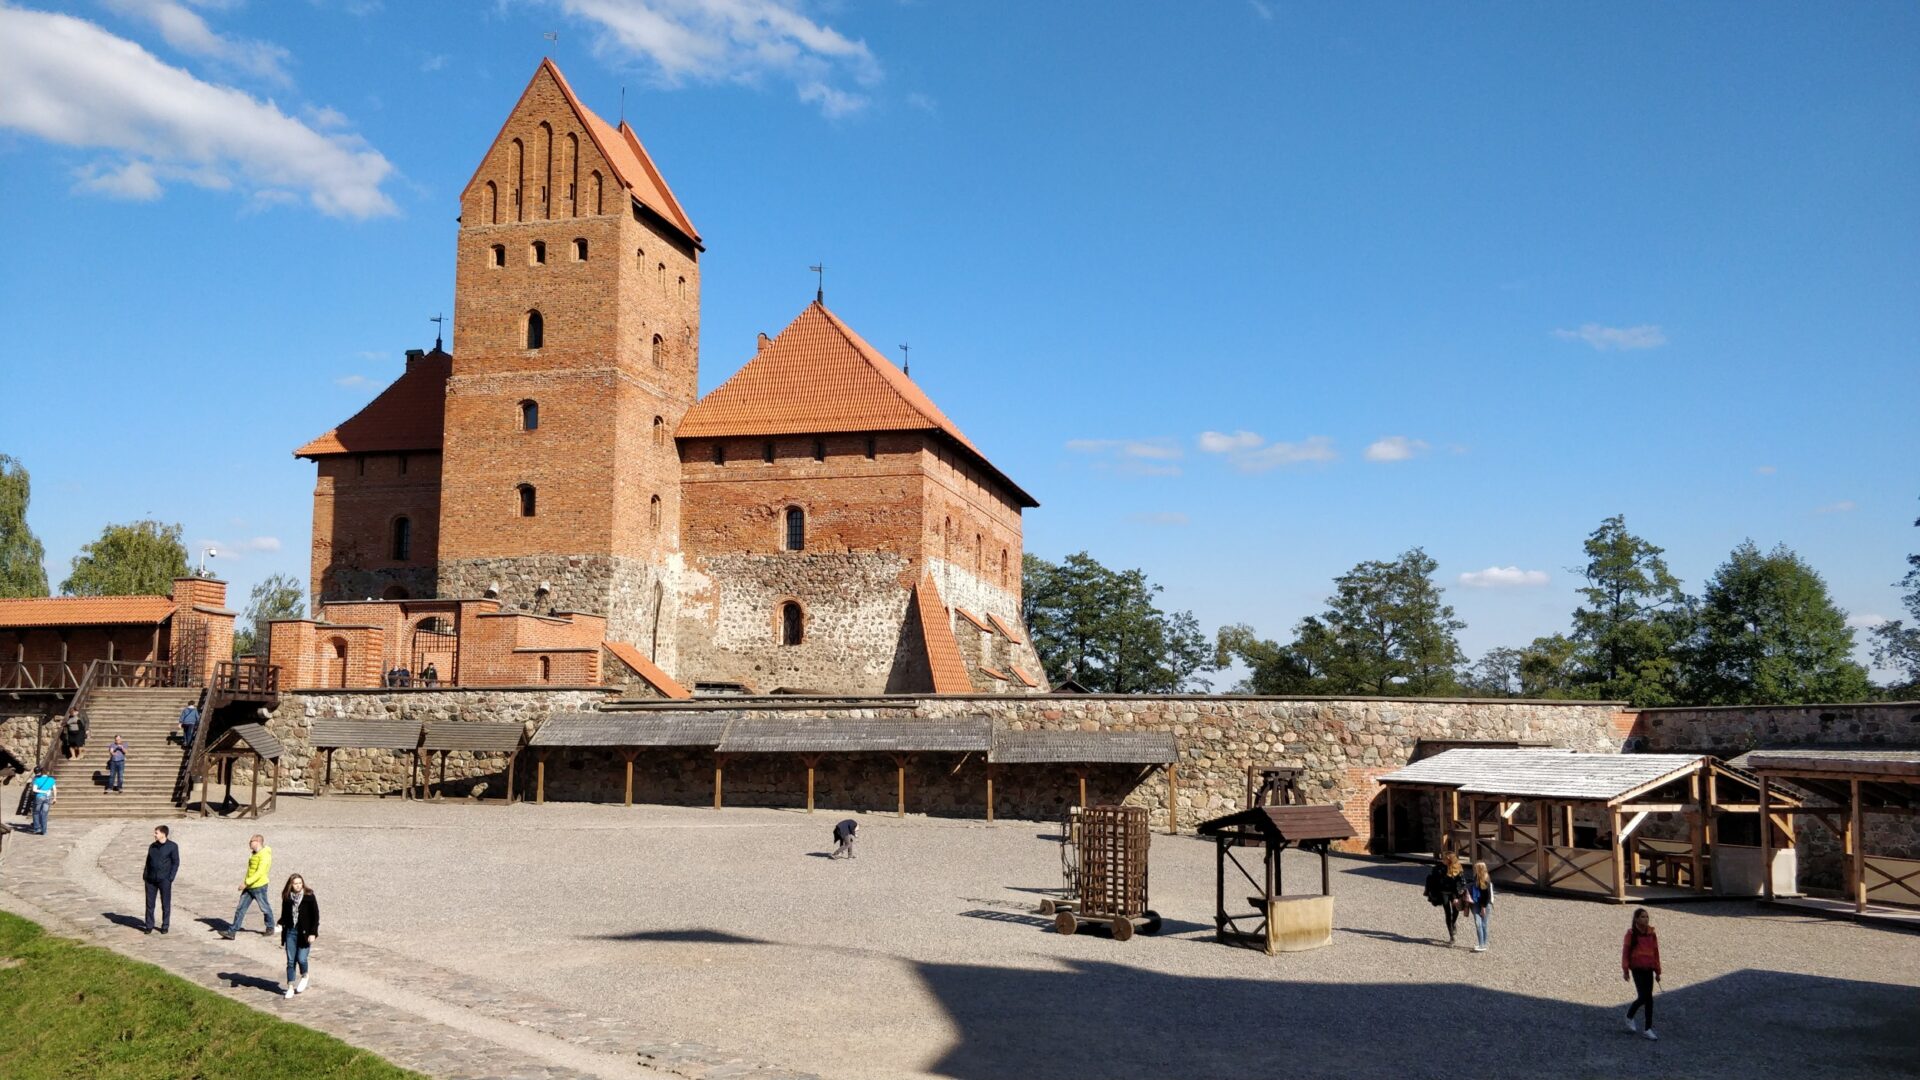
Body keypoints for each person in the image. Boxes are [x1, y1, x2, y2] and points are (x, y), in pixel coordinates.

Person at [223, 834, 275, 939]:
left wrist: (246, 883)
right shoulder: (254, 854)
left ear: (257, 842)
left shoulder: (265, 855)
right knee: (240, 909)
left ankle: (270, 927)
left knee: (265, 908)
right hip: (249, 887)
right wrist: (247, 884)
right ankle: (232, 932)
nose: (249, 843)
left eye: (251, 841)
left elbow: (260, 872)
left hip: (259, 887)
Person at [1621, 908, 1662, 1040]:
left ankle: (1647, 1028)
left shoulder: (1651, 934)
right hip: (1637, 968)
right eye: (1643, 917)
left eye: (1647, 917)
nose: (1646, 919)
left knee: (1649, 999)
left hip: (1649, 968)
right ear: (1636, 919)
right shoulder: (1631, 934)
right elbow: (1625, 952)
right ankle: (1629, 1015)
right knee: (1644, 996)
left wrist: (1657, 971)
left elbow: (1655, 952)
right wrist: (1625, 970)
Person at [279, 873, 320, 999]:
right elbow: (284, 914)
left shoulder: (309, 896)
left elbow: (315, 916)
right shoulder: (287, 897)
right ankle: (290, 986)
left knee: (301, 959)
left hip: (304, 933)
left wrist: (313, 933)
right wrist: (280, 924)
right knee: (291, 961)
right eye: (295, 883)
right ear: (291, 885)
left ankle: (305, 975)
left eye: (300, 883)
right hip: (290, 932)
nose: (298, 886)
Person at [142, 825, 180, 935]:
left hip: (164, 880)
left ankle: (165, 925)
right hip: (150, 880)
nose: (154, 835)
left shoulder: (172, 846)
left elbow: (176, 862)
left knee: (165, 904)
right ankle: (149, 925)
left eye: (156, 833)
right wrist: (145, 875)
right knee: (150, 904)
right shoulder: (152, 846)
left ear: (163, 834)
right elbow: (148, 861)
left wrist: (170, 878)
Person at [1424, 851, 1467, 944]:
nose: (1442, 859)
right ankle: (1451, 936)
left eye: (1445, 858)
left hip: (1454, 892)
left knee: (1455, 910)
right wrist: (1432, 893)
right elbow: (1433, 881)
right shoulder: (1438, 868)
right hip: (1443, 892)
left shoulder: (1458, 868)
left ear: (1449, 860)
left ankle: (1453, 922)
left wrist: (1458, 895)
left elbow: (1461, 883)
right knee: (1447, 913)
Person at [1466, 860, 1494, 952]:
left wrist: (1483, 908)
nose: (1474, 869)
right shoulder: (1476, 877)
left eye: (1476, 868)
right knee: (1479, 923)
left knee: (1483, 924)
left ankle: (1483, 944)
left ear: (1479, 869)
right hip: (1476, 903)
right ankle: (1482, 944)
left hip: (1484, 904)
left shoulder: (1486, 880)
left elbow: (1486, 896)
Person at [28, 768, 56, 835]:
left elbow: (34, 790)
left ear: (41, 772)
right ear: (48, 772)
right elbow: (54, 789)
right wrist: (55, 798)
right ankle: (44, 830)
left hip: (39, 797)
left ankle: (37, 828)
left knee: (36, 812)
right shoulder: (52, 779)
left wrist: (43, 791)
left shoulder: (37, 779)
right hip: (48, 797)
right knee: (44, 814)